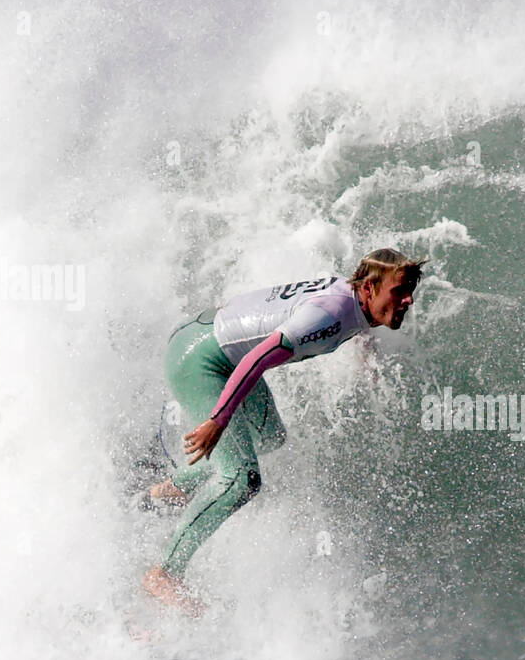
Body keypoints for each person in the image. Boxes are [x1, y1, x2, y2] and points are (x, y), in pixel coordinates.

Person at [142, 248, 425, 612]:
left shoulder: (353, 300)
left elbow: (347, 319)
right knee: (242, 479)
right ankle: (164, 573)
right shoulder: (330, 316)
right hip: (200, 360)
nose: (408, 299)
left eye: (410, 290)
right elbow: (257, 357)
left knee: (270, 438)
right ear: (369, 288)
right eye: (399, 290)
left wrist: (365, 352)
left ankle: (175, 489)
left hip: (210, 343)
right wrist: (219, 419)